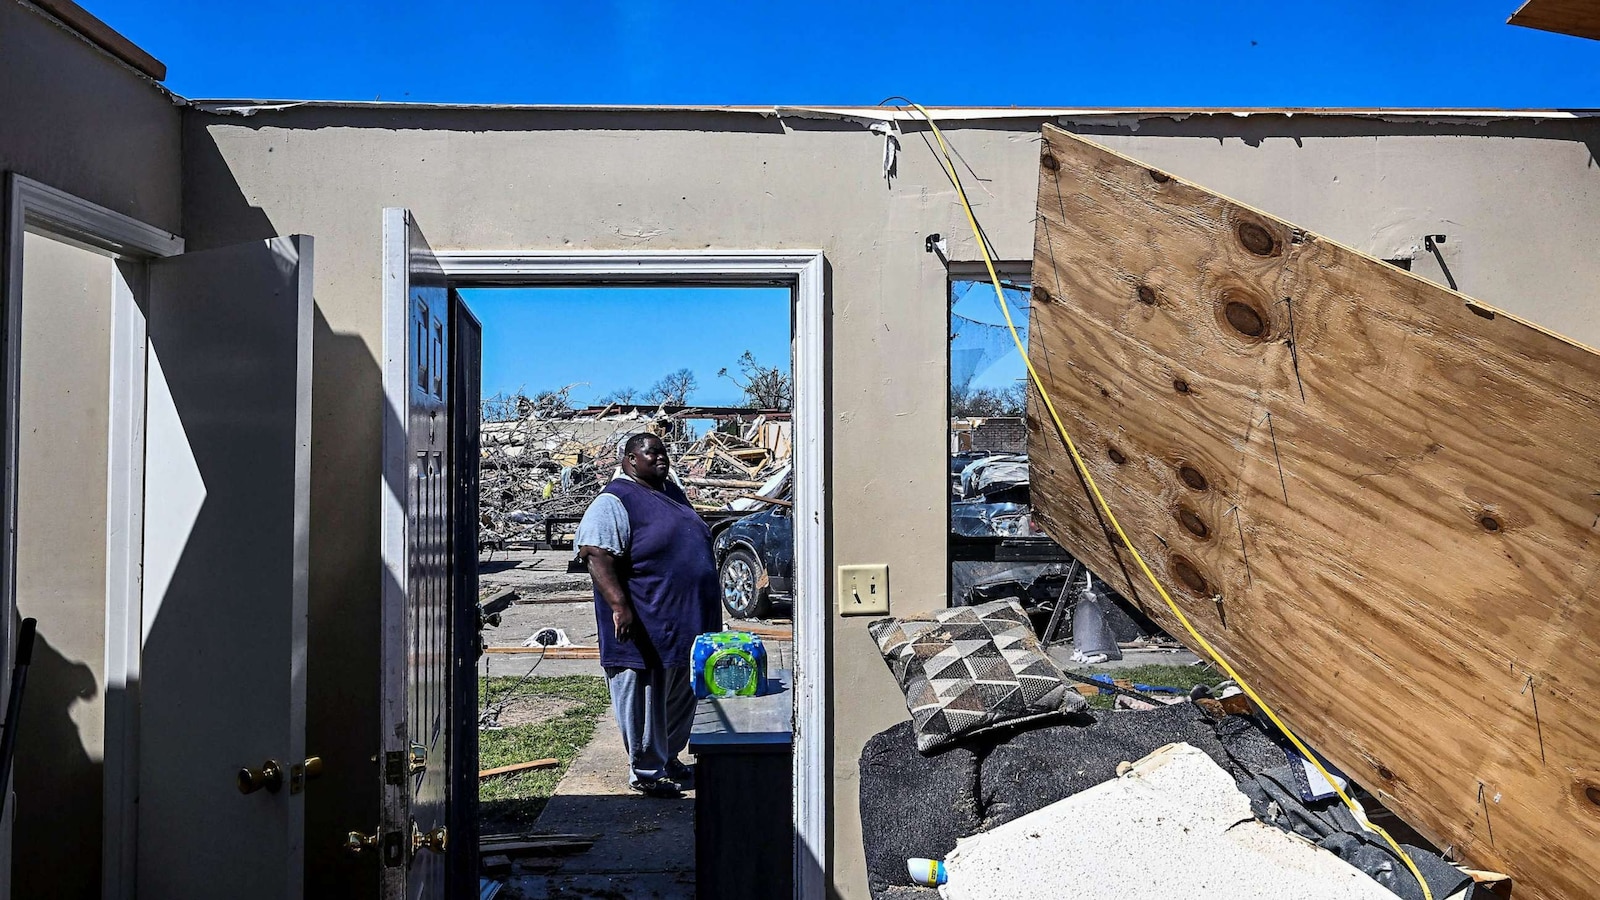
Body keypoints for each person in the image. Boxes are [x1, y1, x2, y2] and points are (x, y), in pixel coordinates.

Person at [575, 432, 722, 797]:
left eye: (663, 452)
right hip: (645, 623)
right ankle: (646, 772)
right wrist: (620, 606)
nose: (661, 458)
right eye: (651, 452)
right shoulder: (615, 500)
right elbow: (595, 552)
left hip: (684, 624)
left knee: (679, 696)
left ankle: (667, 758)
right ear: (630, 459)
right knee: (645, 699)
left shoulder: (671, 493)